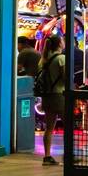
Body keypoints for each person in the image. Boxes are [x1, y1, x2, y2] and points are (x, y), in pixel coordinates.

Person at [36, 35, 66, 166]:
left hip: (47, 96)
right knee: (68, 126)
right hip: (60, 96)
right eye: (63, 40)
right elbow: (65, 79)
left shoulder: (43, 60)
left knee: (49, 128)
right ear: (59, 43)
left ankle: (47, 156)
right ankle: (68, 154)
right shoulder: (61, 59)